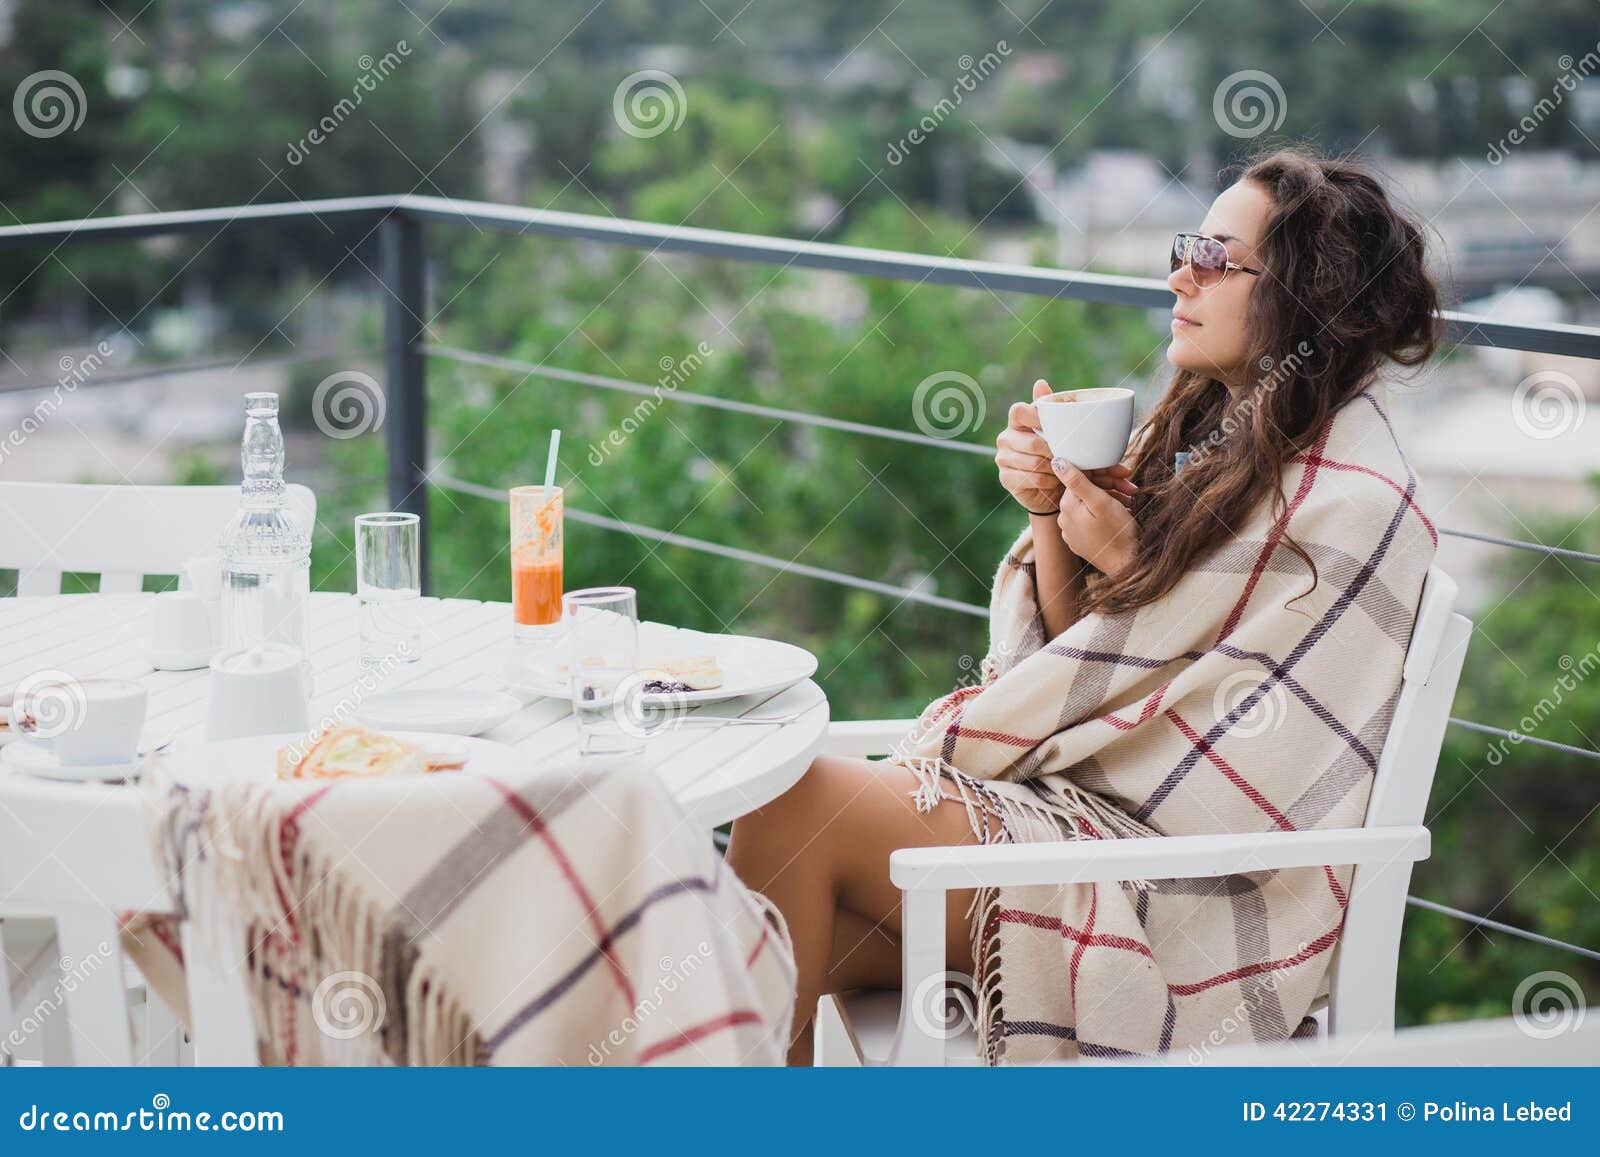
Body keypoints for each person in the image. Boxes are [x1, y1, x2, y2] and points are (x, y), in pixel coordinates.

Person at [728, 147, 1441, 1065]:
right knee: (766, 923)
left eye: (1217, 257)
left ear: (1309, 294)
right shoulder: (1212, 433)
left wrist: (1132, 561)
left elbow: (1224, 789)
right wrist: (1054, 520)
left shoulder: (1351, 504)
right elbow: (1093, 670)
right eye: (1188, 245)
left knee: (799, 804)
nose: (1181, 273)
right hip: (1086, 828)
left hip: (1182, 899)